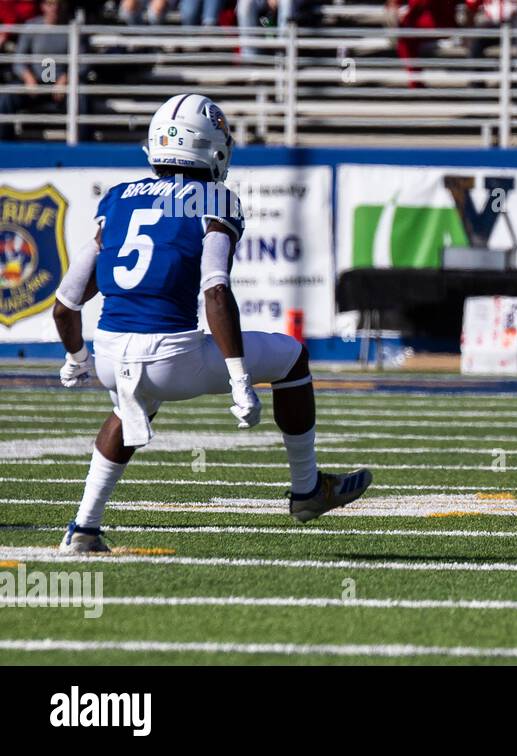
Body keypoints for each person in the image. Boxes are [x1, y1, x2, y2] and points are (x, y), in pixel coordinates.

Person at [50, 93, 372, 553]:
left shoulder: (118, 198)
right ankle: (307, 489)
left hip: (109, 352)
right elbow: (215, 290)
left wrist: (76, 357)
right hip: (170, 358)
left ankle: (83, 527)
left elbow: (66, 302)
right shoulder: (214, 199)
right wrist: (241, 381)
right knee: (292, 358)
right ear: (211, 146)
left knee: (131, 402)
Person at [0, 0, 89, 142]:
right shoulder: (31, 27)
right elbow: (19, 60)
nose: (55, 9)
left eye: (59, 4)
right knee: (6, 97)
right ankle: (5, 142)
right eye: (50, 4)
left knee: (82, 97)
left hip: (62, 87)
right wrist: (28, 77)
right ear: (42, 6)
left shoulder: (74, 29)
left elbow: (83, 64)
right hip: (34, 84)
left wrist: (66, 78)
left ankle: (82, 144)